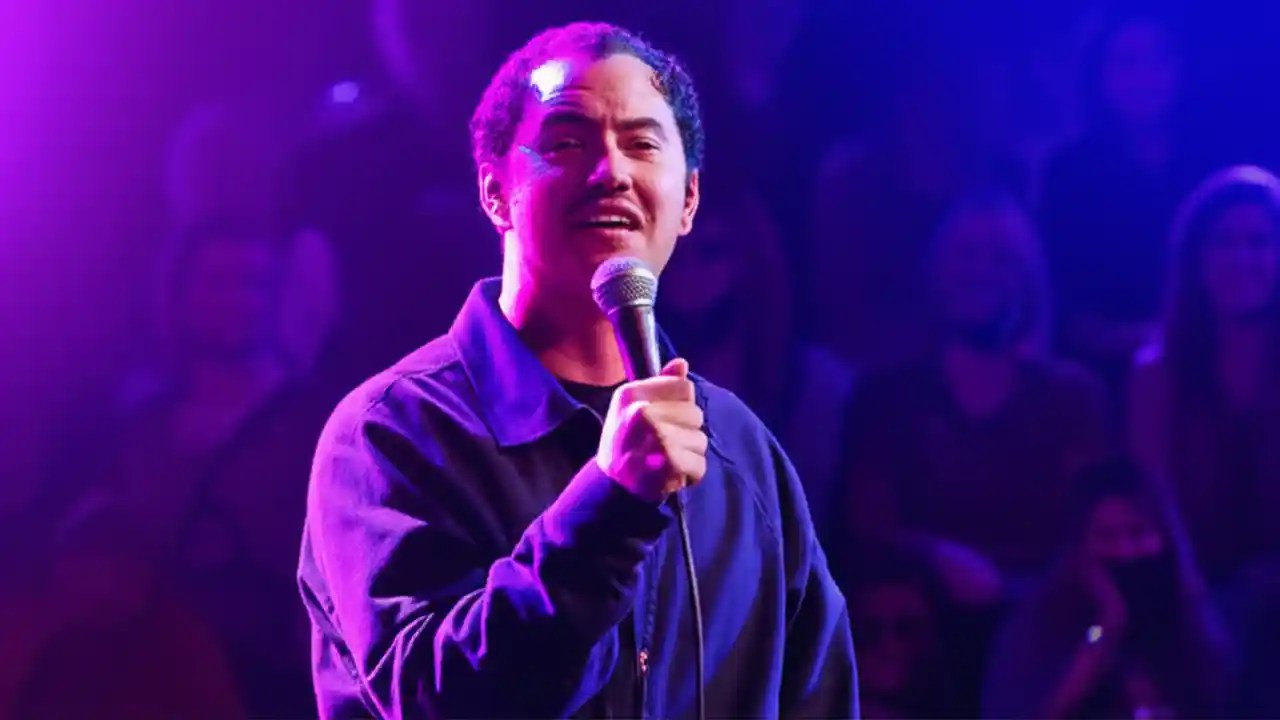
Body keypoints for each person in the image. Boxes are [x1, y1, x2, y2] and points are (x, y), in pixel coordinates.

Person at [298, 22, 857, 719]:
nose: (611, 171)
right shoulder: (390, 435)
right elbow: (434, 701)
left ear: (688, 202)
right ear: (495, 192)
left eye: (643, 144)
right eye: (566, 142)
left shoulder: (740, 449)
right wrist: (610, 510)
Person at [843, 192, 1108, 581]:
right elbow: (866, 532)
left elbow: (1092, 529)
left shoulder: (1071, 398)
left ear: (1028, 278)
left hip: (1043, 612)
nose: (981, 270)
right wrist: (936, 557)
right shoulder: (885, 398)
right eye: (967, 254)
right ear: (936, 272)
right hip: (918, 613)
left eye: (1001, 258)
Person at [658, 180, 855, 541]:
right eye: (675, 253)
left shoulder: (813, 384)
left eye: (710, 253)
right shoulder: (631, 381)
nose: (688, 275)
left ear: (748, 263)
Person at [1039, 5, 1207, 404]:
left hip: (1204, 371)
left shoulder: (1206, 165)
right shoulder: (1068, 174)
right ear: (1101, 76)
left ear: (1178, 69)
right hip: (1101, 380)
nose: (1143, 77)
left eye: (1157, 60)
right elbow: (1061, 298)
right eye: (1127, 62)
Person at [982, 458, 1230, 719]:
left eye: (1138, 533)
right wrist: (1105, 628)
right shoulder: (1038, 623)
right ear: (1078, 546)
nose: (1124, 551)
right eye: (1106, 536)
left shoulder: (1191, 616)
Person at [1129, 165, 1280, 585]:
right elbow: (1153, 511)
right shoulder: (1157, 375)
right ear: (1197, 260)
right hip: (1193, 591)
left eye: (1259, 242)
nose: (1241, 258)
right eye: (1224, 243)